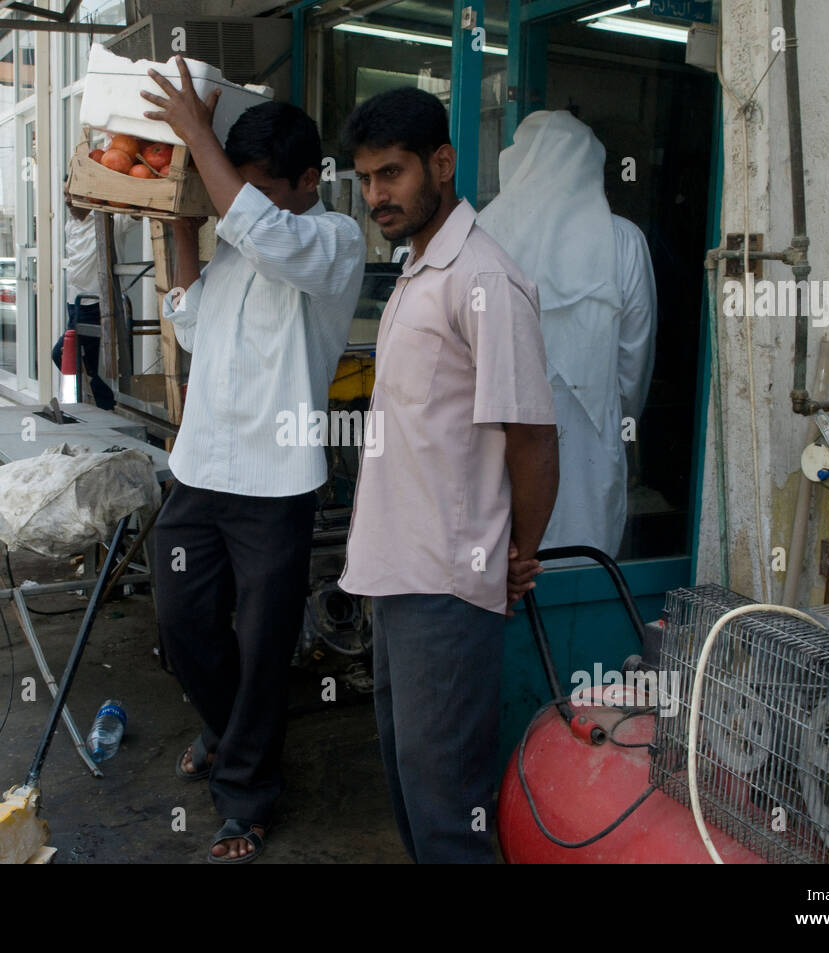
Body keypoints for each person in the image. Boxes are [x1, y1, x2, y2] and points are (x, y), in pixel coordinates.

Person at [140, 59, 366, 863]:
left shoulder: (334, 241)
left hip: (275, 483)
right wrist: (179, 221)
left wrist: (197, 135)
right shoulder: (238, 246)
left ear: (308, 182)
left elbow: (267, 233)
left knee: (264, 643)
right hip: (200, 471)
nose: (247, 205)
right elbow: (192, 325)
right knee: (180, 624)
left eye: (263, 187)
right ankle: (229, 730)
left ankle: (246, 794)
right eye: (241, 187)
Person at [337, 87, 559, 864]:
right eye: (365, 179)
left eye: (391, 174)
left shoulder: (483, 278)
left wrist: (516, 553)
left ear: (443, 162)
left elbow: (531, 434)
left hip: (447, 581)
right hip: (396, 575)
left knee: (448, 813)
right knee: (410, 788)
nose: (377, 196)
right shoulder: (419, 270)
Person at [479, 111, 656, 560]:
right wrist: (620, 419)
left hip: (499, 435)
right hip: (591, 439)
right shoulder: (624, 241)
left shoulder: (481, 236)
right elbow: (634, 357)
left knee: (508, 565)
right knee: (586, 560)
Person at [51, 184, 117, 410]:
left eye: (74, 195)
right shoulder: (71, 224)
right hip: (75, 304)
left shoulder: (111, 221)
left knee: (91, 366)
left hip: (97, 305)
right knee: (73, 360)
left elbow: (135, 218)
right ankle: (93, 406)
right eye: (66, 195)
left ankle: (103, 408)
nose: (68, 201)